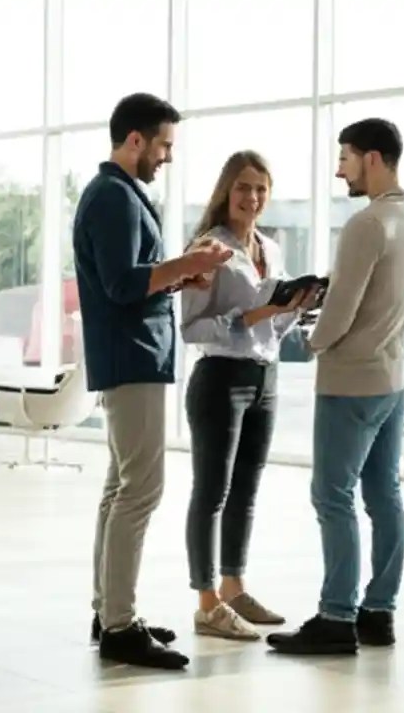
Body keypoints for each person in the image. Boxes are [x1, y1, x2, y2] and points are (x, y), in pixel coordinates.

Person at [74, 92, 233, 670]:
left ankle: (110, 612)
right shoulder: (114, 197)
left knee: (120, 490)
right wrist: (189, 266)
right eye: (164, 144)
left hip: (132, 357)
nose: (167, 156)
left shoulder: (118, 195)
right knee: (140, 491)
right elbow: (120, 284)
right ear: (135, 140)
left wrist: (174, 279)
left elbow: (132, 280)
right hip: (132, 359)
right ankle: (119, 625)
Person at [268, 118, 404, 655]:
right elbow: (386, 301)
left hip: (350, 380)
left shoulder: (367, 225)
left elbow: (342, 310)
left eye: (346, 157)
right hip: (391, 378)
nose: (340, 169)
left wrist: (310, 341)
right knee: (384, 495)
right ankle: (378, 612)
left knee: (332, 495)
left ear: (374, 158)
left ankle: (336, 616)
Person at [180, 151, 317, 641]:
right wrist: (256, 315)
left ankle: (235, 588)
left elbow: (271, 328)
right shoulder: (209, 249)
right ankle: (206, 602)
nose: (252, 198)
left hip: (265, 379)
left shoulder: (270, 249)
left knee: (247, 493)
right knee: (211, 492)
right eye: (243, 187)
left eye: (261, 188)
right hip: (219, 378)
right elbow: (191, 327)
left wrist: (293, 308)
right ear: (225, 191)